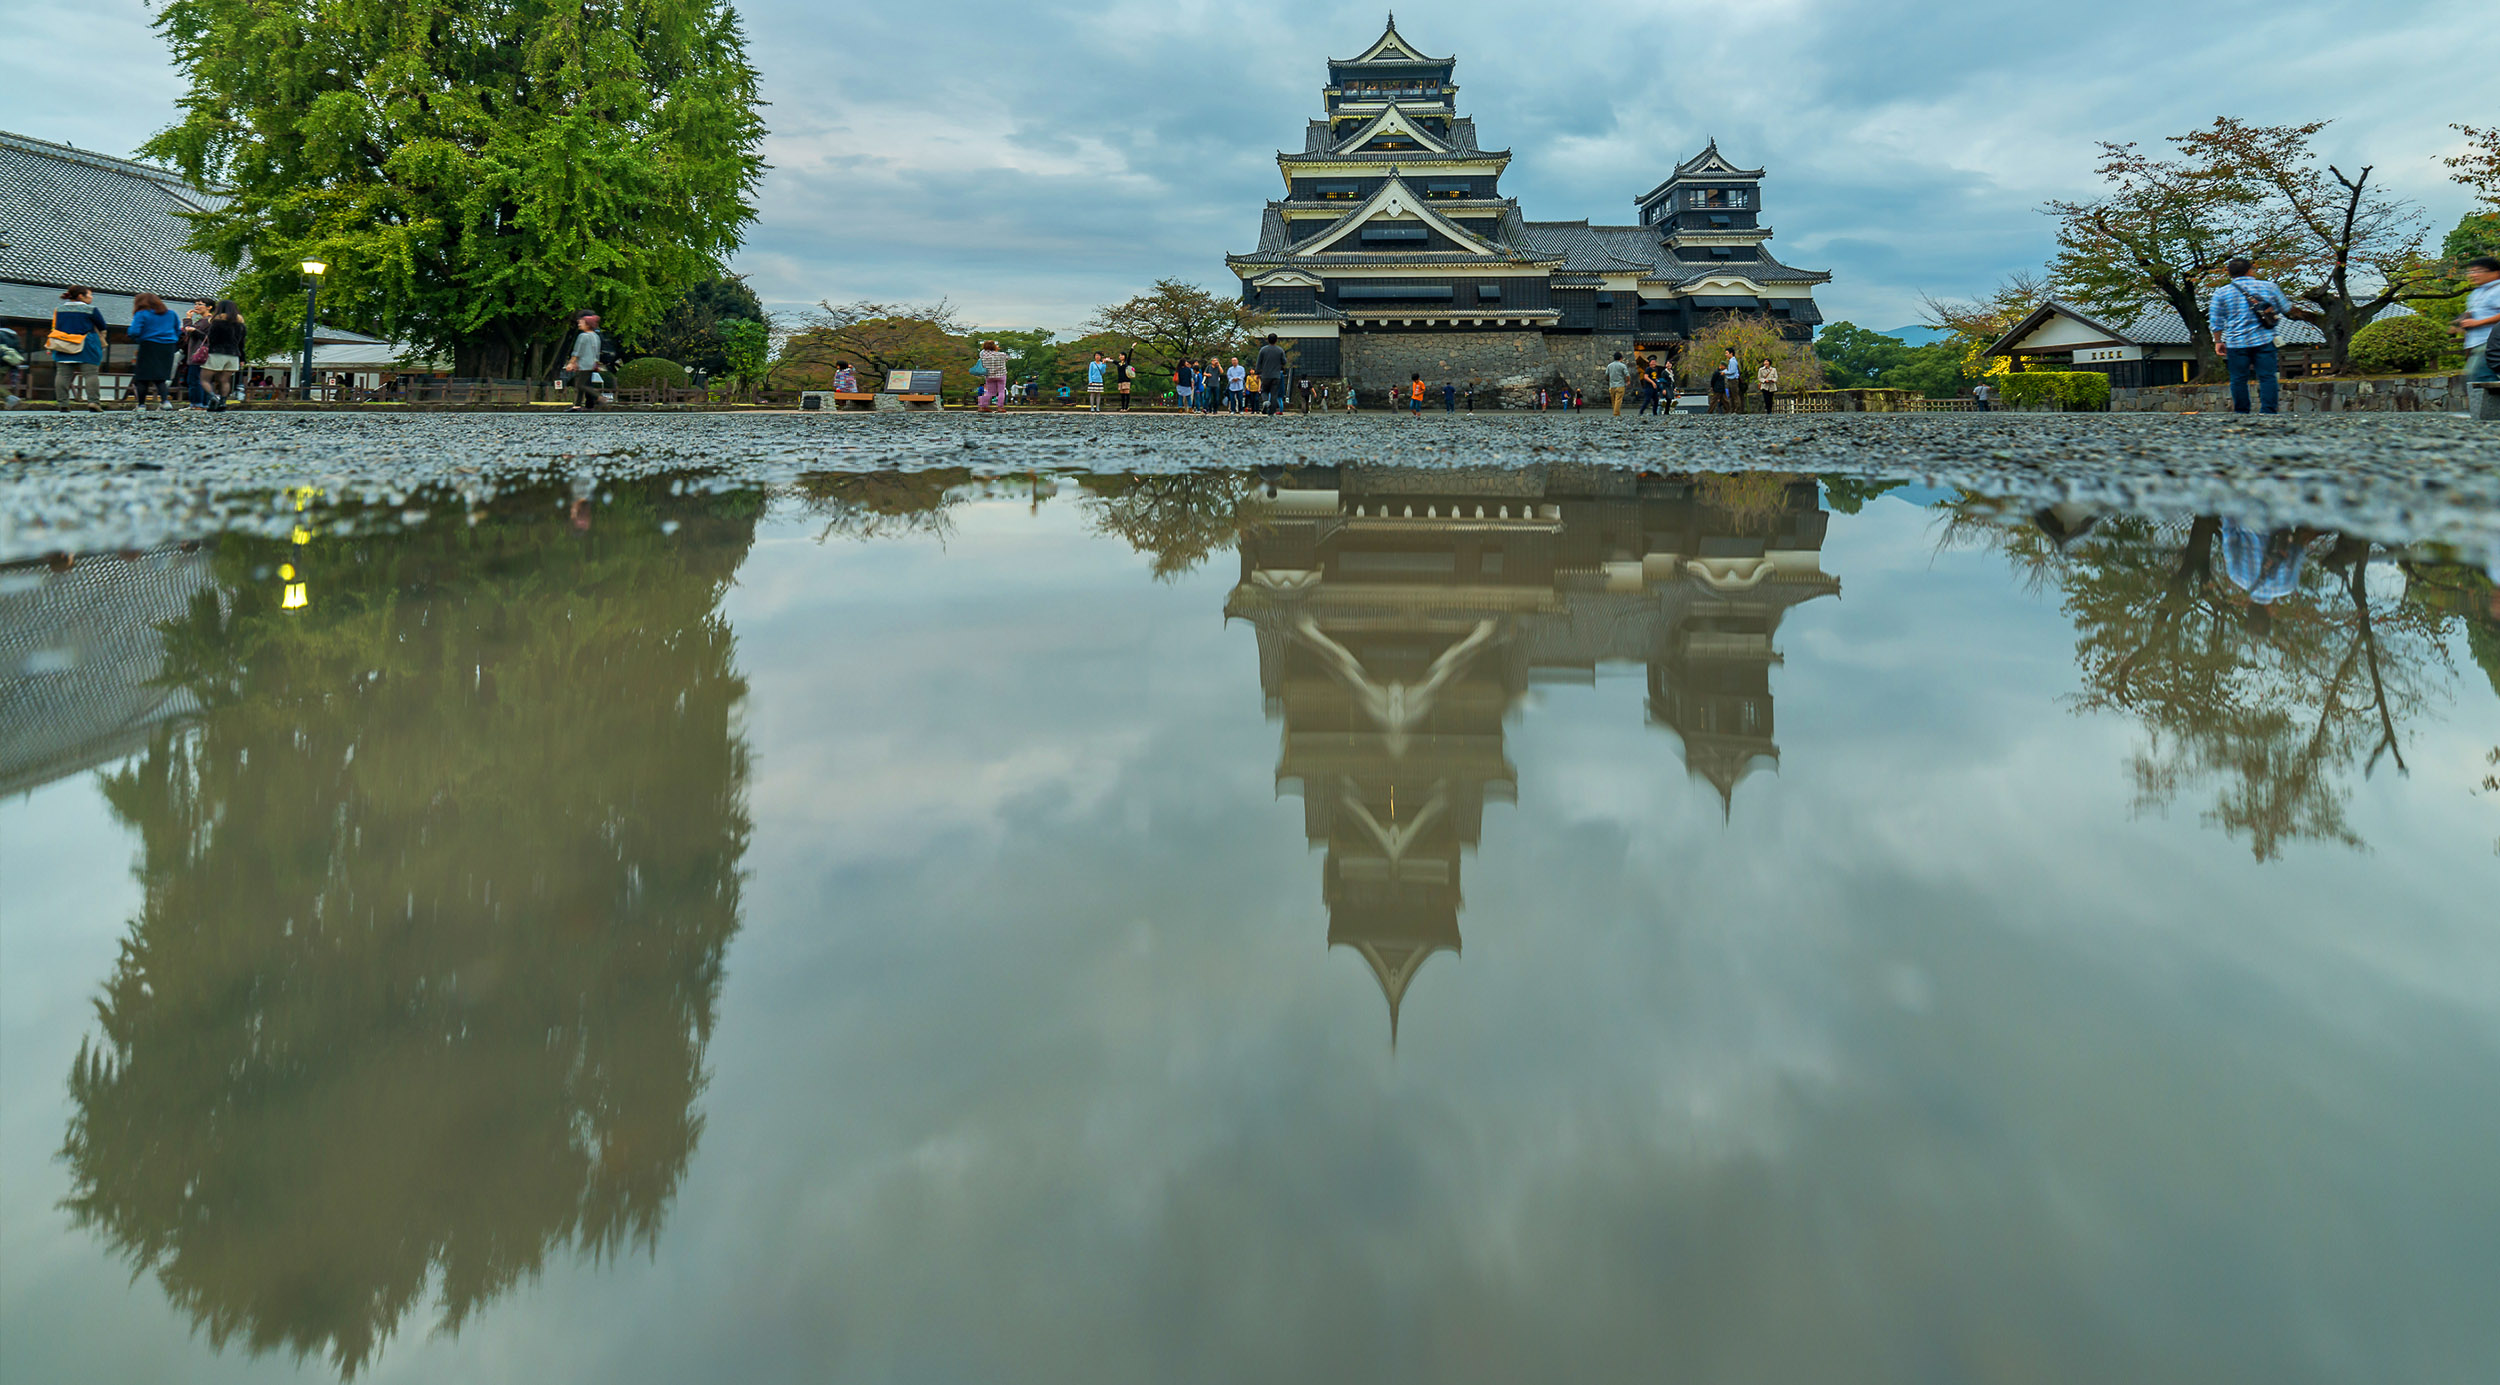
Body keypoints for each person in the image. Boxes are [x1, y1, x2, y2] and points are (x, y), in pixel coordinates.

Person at [2207, 255, 2298, 415]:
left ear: (2230, 274)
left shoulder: (2221, 293)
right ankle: (2268, 411)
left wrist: (2218, 341)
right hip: (2265, 339)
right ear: (2250, 270)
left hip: (2236, 342)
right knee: (2267, 376)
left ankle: (2242, 412)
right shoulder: (2270, 287)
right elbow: (2286, 308)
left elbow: (2216, 320)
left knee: (2238, 378)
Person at [48, 287, 109, 411]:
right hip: (86, 343)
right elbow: (102, 326)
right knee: (91, 374)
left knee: (63, 375)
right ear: (81, 296)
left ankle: (63, 403)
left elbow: (55, 327)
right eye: (90, 295)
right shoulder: (91, 310)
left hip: (63, 343)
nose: (91, 297)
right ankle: (93, 402)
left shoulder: (59, 309)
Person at [124, 293, 183, 412]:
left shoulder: (142, 314)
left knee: (142, 376)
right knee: (161, 376)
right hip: (168, 346)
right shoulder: (171, 314)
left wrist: (136, 338)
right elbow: (178, 330)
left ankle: (141, 405)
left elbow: (134, 331)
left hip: (149, 344)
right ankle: (165, 402)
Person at [2456, 255, 2500, 393]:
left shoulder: (2498, 290)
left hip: (2491, 343)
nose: (2473, 275)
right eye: (2471, 271)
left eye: (2479, 271)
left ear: (2495, 272)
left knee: (2481, 377)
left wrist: (2477, 323)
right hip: (2477, 343)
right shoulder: (2477, 292)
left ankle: (2491, 413)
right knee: (2478, 378)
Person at [200, 300, 248, 411]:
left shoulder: (216, 322)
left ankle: (213, 397)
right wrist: (242, 358)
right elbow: (242, 343)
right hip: (233, 355)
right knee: (225, 381)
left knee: (204, 379)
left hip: (217, 352)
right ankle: (223, 402)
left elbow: (210, 339)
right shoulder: (241, 325)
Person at [564, 311, 603, 410]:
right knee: (583, 384)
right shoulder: (596, 336)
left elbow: (577, 352)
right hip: (592, 364)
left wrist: (571, 363)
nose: (579, 324)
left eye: (581, 322)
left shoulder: (583, 336)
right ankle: (577, 405)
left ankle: (598, 396)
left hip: (583, 364)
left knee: (581, 385)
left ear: (587, 324)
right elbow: (597, 351)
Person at [178, 302, 211, 409]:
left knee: (195, 380)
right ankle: (204, 403)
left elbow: (194, 333)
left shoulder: (208, 321)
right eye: (196, 304)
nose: (196, 306)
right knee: (202, 380)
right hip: (201, 354)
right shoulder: (203, 321)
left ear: (209, 307)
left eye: (200, 304)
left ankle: (196, 404)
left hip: (199, 354)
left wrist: (189, 322)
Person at [1255, 335, 1290, 415]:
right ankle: (1271, 412)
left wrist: (1257, 372)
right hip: (1276, 375)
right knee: (1274, 393)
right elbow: (1284, 362)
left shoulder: (1263, 350)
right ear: (1276, 340)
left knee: (1264, 390)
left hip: (1265, 375)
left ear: (1268, 340)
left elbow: (1258, 362)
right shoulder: (1280, 350)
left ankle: (1266, 401)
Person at [976, 339, 1011, 411]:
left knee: (990, 392)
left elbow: (981, 355)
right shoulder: (1001, 354)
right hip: (1001, 375)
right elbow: (1008, 358)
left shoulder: (983, 356)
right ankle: (1000, 407)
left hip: (989, 376)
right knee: (1001, 391)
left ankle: (982, 406)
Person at [1721, 349, 1743, 414]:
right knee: (1731, 396)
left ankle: (1737, 410)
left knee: (1735, 395)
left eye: (1727, 353)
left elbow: (1732, 371)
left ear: (1731, 353)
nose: (1726, 355)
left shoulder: (1733, 361)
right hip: (1730, 380)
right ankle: (1733, 409)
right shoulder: (1730, 361)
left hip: (1733, 380)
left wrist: (1725, 373)